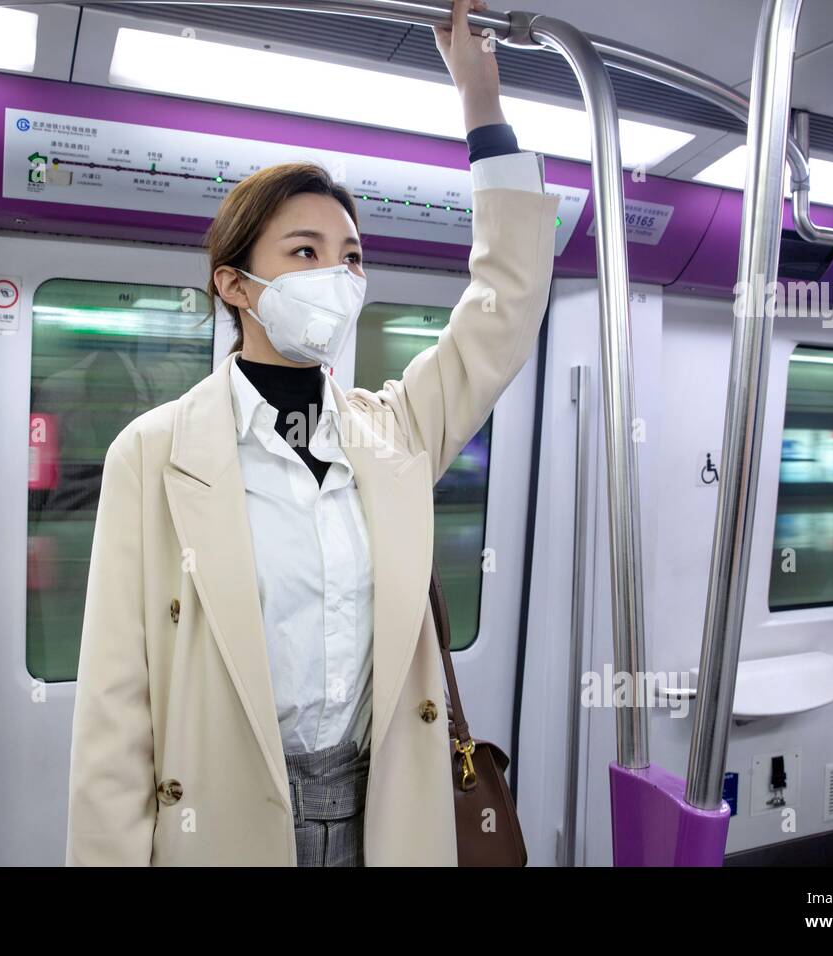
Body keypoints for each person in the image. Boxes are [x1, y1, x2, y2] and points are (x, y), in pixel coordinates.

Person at [65, 0, 559, 866]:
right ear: (235, 285)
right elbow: (115, 705)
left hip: (385, 808)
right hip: (227, 814)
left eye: (352, 254)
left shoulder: (395, 432)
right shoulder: (154, 452)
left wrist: (482, 105)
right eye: (304, 252)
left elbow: (505, 307)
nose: (337, 274)